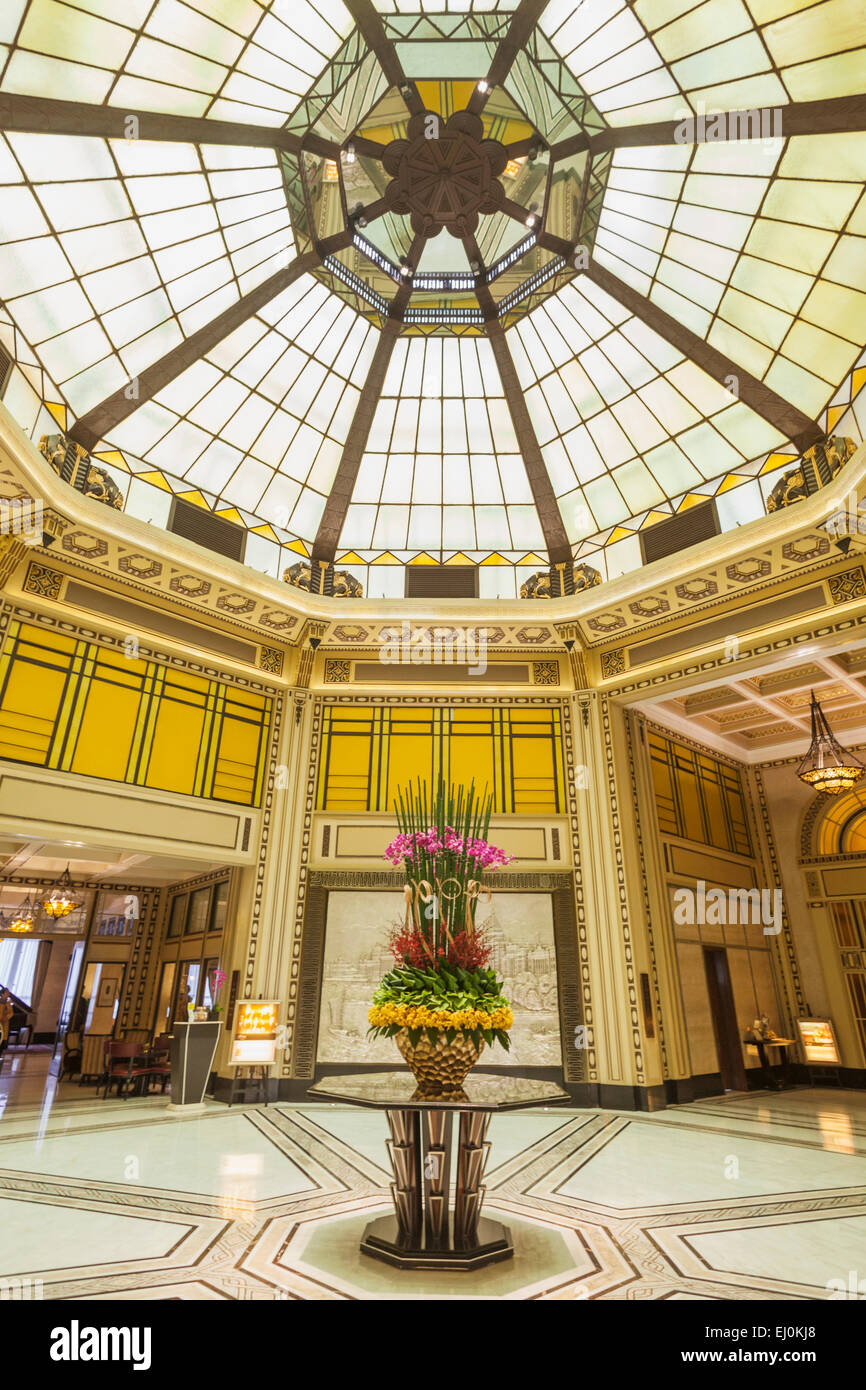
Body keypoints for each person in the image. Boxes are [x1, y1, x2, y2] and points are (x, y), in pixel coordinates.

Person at [0, 989, 13, 1058]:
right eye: (7, 993)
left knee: (2, 1043)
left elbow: (11, 1013)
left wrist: (7, 1017)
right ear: (2, 994)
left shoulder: (8, 1003)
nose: (8, 994)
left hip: (5, 1024)